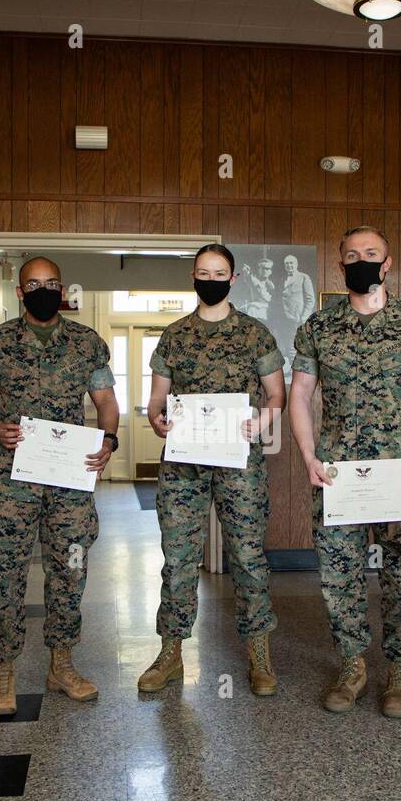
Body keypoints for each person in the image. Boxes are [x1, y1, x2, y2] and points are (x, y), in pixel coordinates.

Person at [290, 225, 401, 719]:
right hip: (338, 475)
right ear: (340, 266)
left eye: (372, 254)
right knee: (338, 574)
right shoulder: (319, 328)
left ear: (387, 265)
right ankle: (352, 664)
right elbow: (300, 394)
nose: (361, 261)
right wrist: (307, 455)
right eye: (351, 255)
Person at [0, 256, 119, 716]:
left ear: (64, 288)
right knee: (8, 572)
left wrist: (108, 439)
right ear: (19, 291)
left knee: (69, 570)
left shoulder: (87, 343)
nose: (44, 290)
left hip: (69, 478)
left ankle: (62, 664)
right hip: (14, 476)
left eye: (52, 283)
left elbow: (106, 400)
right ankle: (3, 668)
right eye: (34, 284)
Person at [139, 244, 287, 695]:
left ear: (233, 278)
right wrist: (157, 418)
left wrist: (262, 421)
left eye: (218, 272)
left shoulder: (255, 334)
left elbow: (276, 398)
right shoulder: (175, 335)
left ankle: (259, 654)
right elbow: (156, 401)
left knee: (247, 557)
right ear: (193, 277)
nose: (210, 278)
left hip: (238, 462)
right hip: (184, 464)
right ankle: (170, 652)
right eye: (203, 272)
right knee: (179, 559)